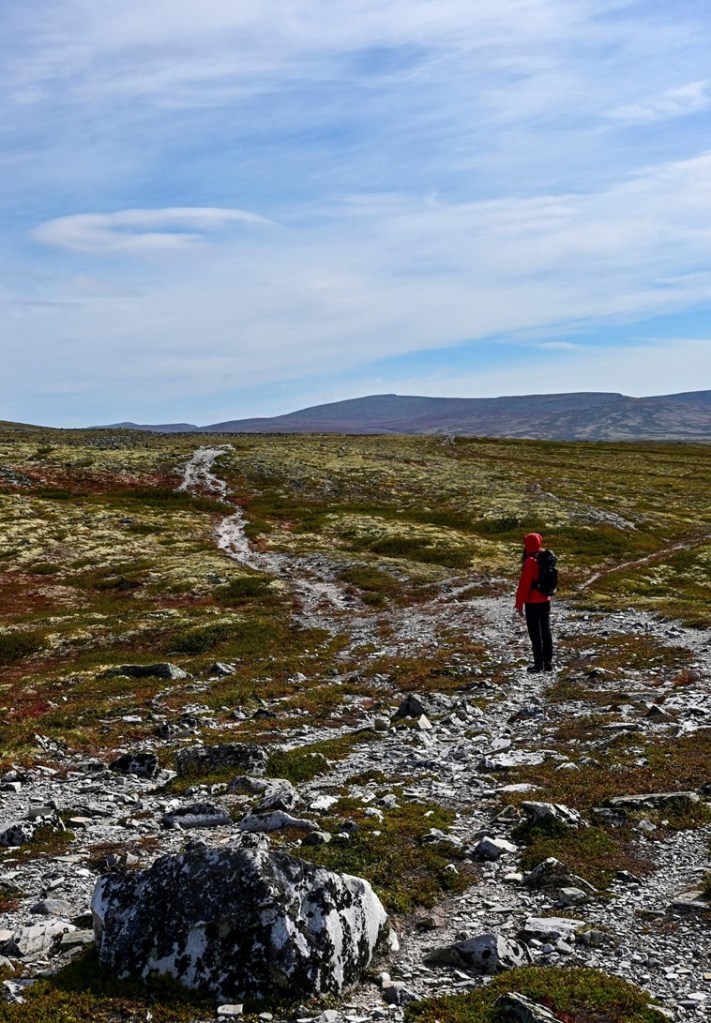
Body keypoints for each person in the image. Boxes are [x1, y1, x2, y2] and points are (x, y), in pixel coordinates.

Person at [515, 532, 554, 673]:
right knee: (546, 631)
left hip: (532, 602)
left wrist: (519, 605)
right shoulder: (546, 558)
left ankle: (538, 665)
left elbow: (524, 586)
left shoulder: (530, 561)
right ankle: (548, 663)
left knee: (535, 634)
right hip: (546, 599)